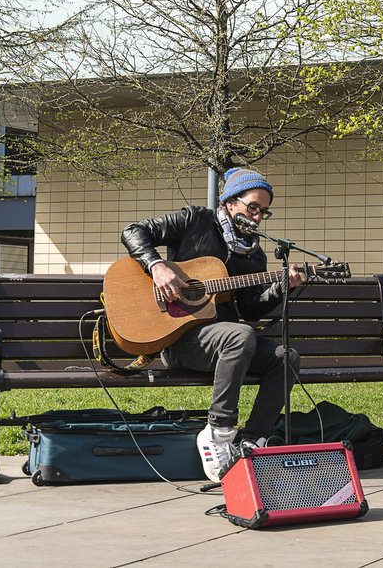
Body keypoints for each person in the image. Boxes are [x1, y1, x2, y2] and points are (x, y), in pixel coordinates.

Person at [120, 167, 306, 481]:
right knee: (239, 336)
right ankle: (218, 433)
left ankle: (252, 440)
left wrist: (282, 286)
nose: (258, 217)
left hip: (226, 342)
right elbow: (133, 231)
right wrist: (156, 266)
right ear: (231, 202)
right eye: (253, 207)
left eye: (264, 212)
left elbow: (249, 308)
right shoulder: (195, 221)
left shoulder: (254, 256)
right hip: (178, 338)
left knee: (286, 358)